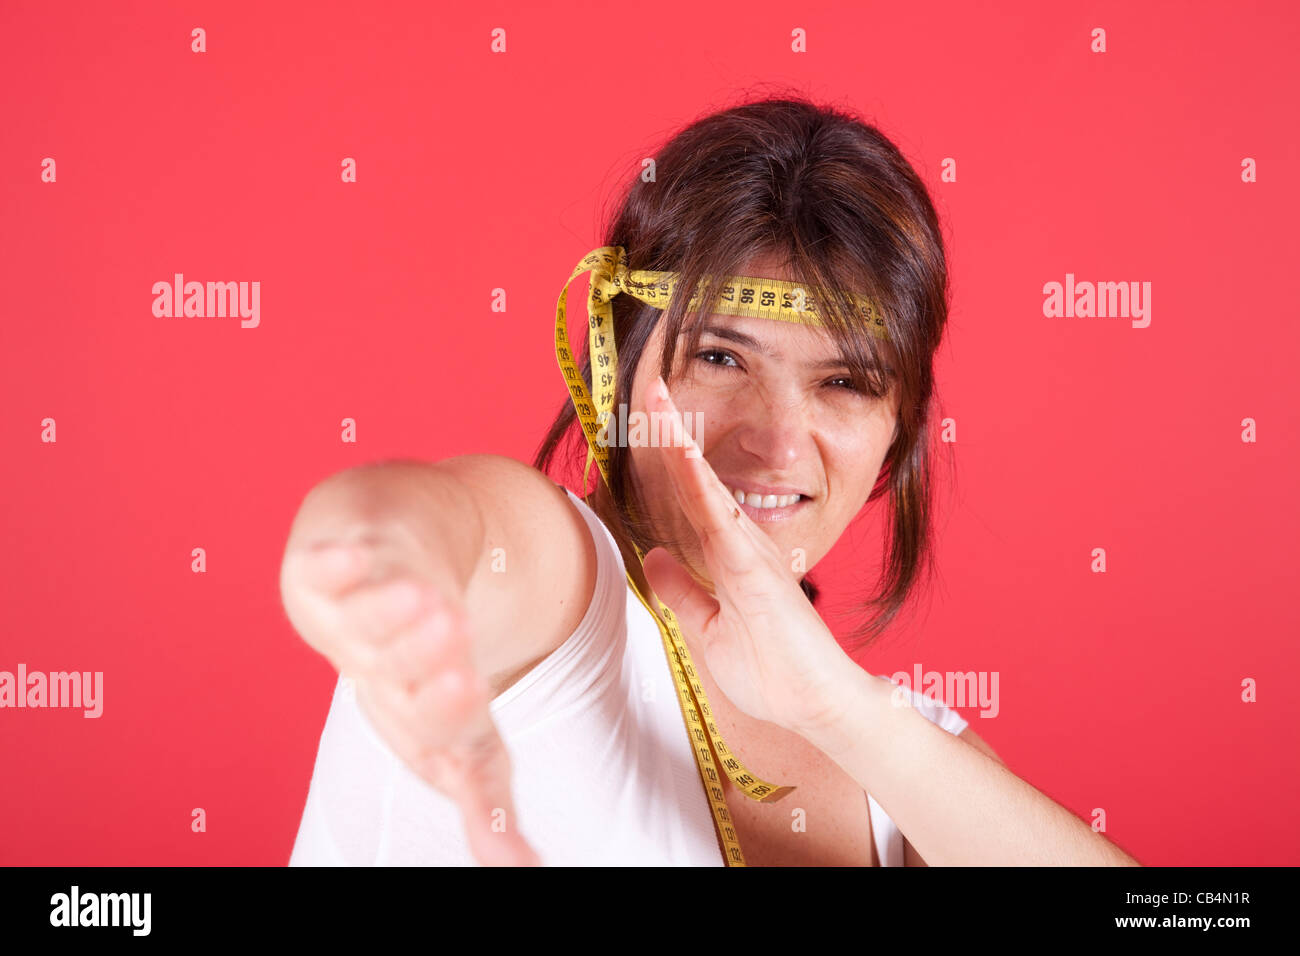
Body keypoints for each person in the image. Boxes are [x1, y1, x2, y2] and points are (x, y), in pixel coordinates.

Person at [279, 96, 1140, 867]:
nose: (775, 442)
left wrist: (840, 714)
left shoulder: (904, 767)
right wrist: (371, 551)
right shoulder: (557, 595)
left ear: (896, 432)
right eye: (721, 358)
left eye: (844, 383)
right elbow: (449, 527)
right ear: (616, 366)